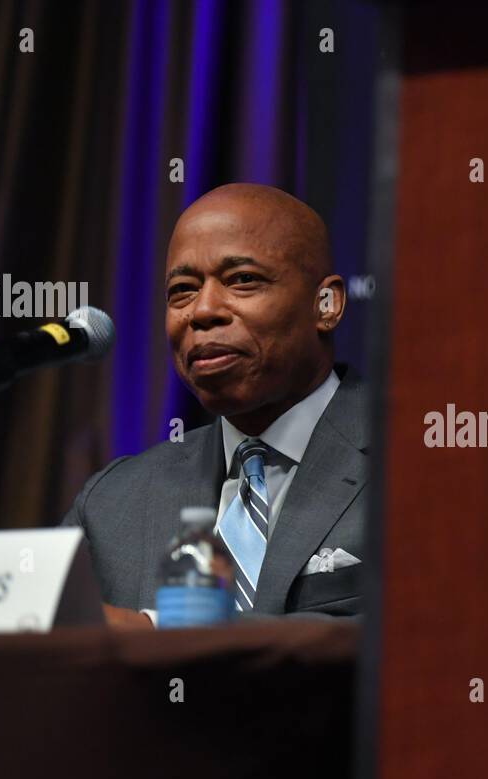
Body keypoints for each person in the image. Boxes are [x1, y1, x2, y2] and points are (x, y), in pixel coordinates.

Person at [63, 184, 368, 627]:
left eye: (243, 280)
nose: (203, 311)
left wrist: (156, 631)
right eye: (182, 290)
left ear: (327, 304)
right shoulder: (112, 503)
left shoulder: (420, 464)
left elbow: (421, 636)